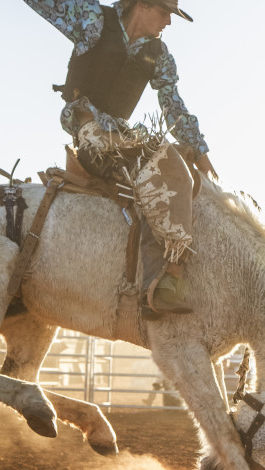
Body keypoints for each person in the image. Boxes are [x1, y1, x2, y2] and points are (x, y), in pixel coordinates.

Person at [23, 0, 215, 317]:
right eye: (165, 12)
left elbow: (173, 105)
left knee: (178, 172)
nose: (169, 21)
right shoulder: (92, 19)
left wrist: (200, 152)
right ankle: (163, 281)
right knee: (155, 170)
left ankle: (161, 282)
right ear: (142, 5)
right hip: (88, 131)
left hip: (123, 137)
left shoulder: (159, 54)